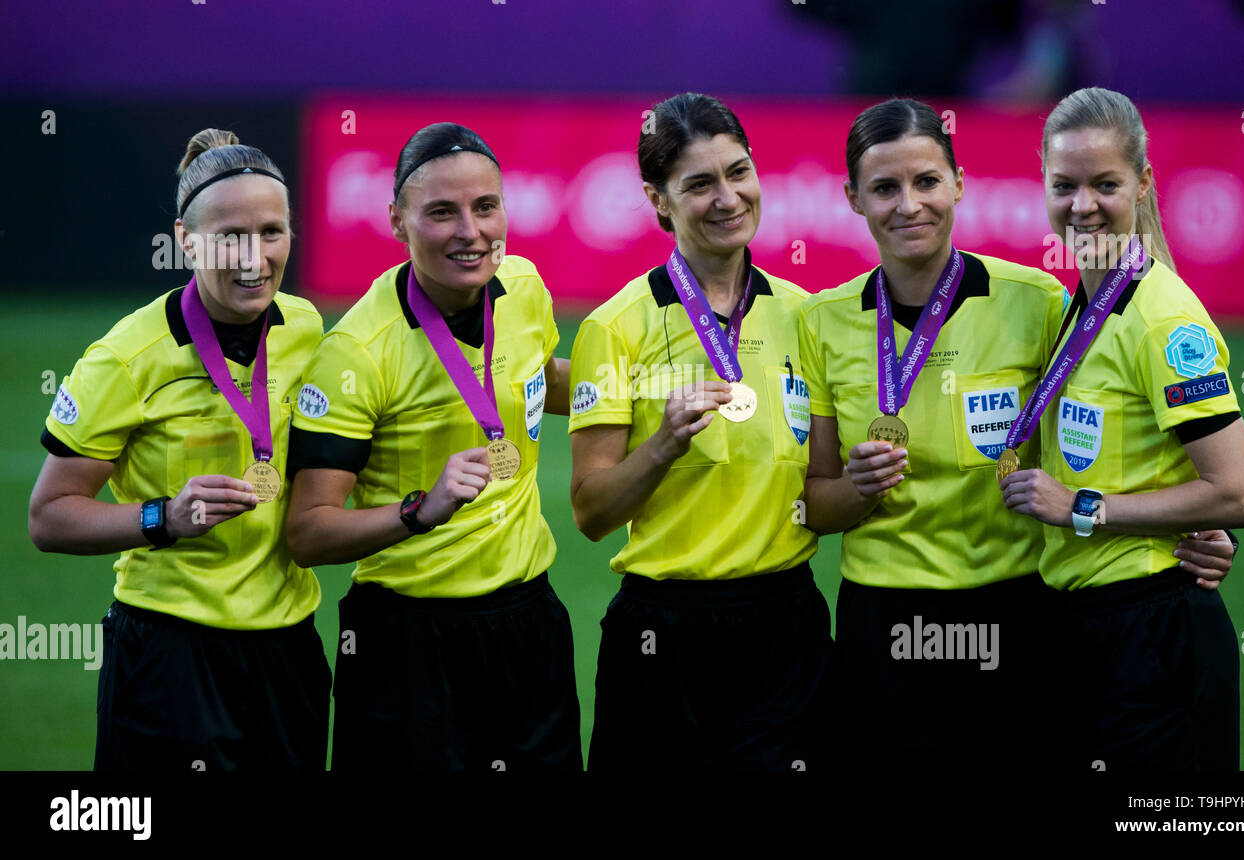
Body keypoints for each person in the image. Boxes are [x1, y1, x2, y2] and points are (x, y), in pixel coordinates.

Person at [797, 98, 1239, 772]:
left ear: (959, 184)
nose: (908, 204)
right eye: (884, 187)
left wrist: (1205, 527)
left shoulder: (1039, 301)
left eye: (926, 181)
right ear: (853, 196)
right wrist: (855, 491)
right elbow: (812, 506)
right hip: (882, 624)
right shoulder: (822, 321)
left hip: (1020, 613)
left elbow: (1133, 428)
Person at [28, 129, 330, 771]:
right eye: (229, 236)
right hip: (170, 655)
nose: (255, 256)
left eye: (272, 231)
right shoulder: (126, 357)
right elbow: (48, 515)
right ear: (185, 240)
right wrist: (162, 518)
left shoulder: (305, 328)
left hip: (289, 649)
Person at [285, 122, 580, 771]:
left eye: (485, 207)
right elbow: (307, 532)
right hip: (405, 643)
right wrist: (419, 510)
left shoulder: (524, 287)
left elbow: (535, 379)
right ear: (397, 218)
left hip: (528, 620)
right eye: (442, 212)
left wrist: (639, 393)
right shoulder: (356, 354)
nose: (470, 232)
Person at [569, 93, 831, 771]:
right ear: (659, 201)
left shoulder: (810, 317)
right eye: (699, 184)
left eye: (737, 171)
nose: (727, 197)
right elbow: (592, 512)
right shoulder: (615, 325)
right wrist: (660, 446)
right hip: (660, 633)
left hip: (785, 625)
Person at [1001, 87, 1244, 770]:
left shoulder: (1162, 318)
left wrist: (1080, 507)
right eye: (1065, 185)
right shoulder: (1075, 305)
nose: (1083, 206)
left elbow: (1237, 494)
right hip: (1086, 630)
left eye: (1105, 184)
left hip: (1155, 633)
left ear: (1143, 184)